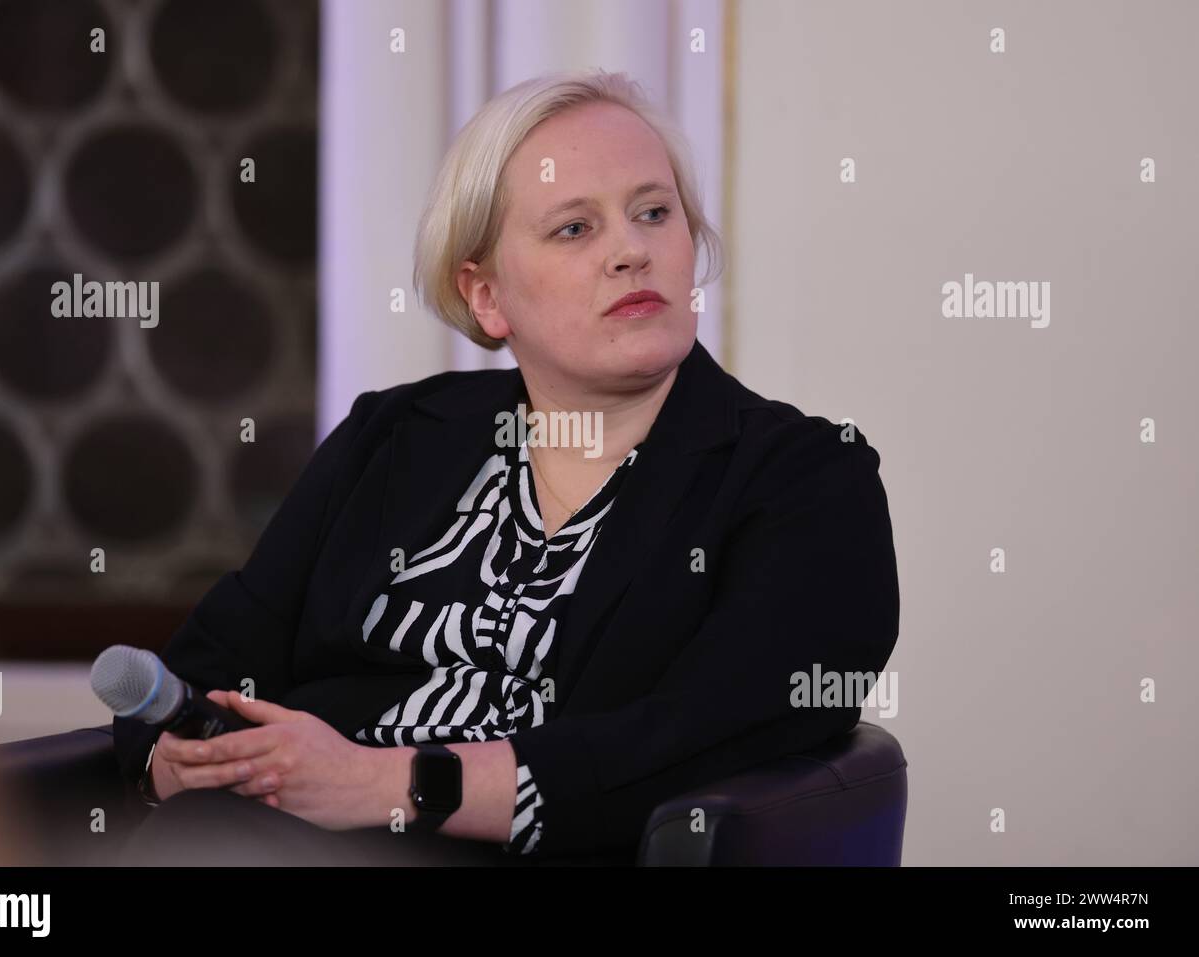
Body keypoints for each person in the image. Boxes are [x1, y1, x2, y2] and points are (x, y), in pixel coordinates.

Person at [112, 68, 900, 867]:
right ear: (486, 296)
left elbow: (712, 734)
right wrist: (168, 758)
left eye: (654, 213)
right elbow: (214, 658)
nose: (630, 251)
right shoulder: (393, 437)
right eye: (574, 229)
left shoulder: (805, 481)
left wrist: (387, 783)